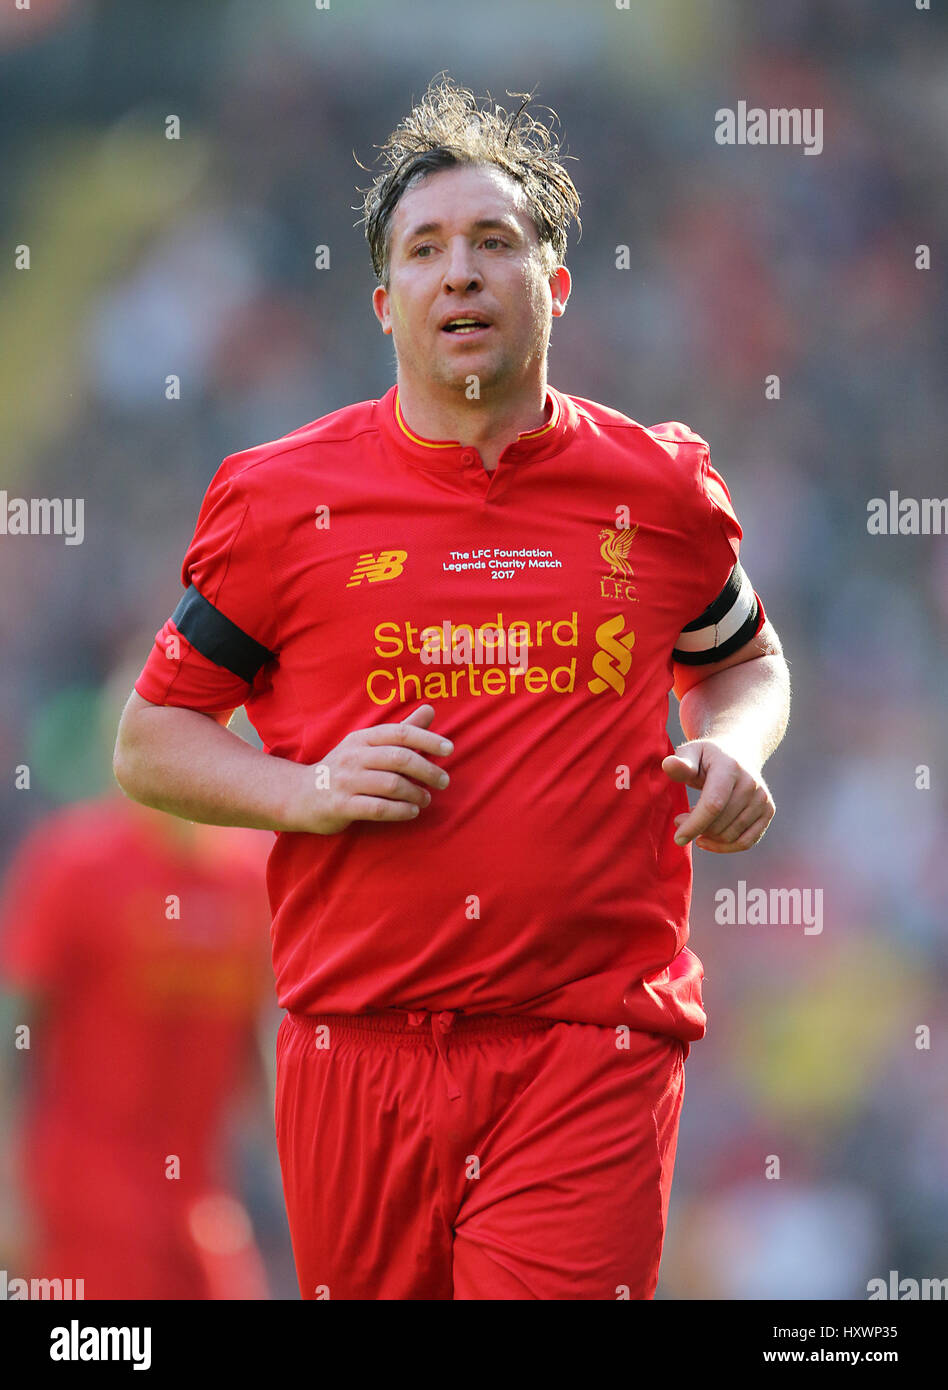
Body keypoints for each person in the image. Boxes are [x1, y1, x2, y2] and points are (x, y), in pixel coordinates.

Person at [113, 75, 790, 1300]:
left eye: (495, 242)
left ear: (556, 283)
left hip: (591, 1040)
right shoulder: (280, 502)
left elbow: (743, 657)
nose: (460, 272)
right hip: (353, 1050)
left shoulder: (656, 490)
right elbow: (152, 738)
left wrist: (740, 743)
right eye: (425, 251)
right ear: (387, 304)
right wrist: (305, 786)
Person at [0, 659, 275, 1300]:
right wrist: (8, 1192)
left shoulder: (253, 878)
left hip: (203, 1206)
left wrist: (298, 1176)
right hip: (83, 1208)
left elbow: (254, 1045)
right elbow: (15, 1037)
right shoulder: (70, 866)